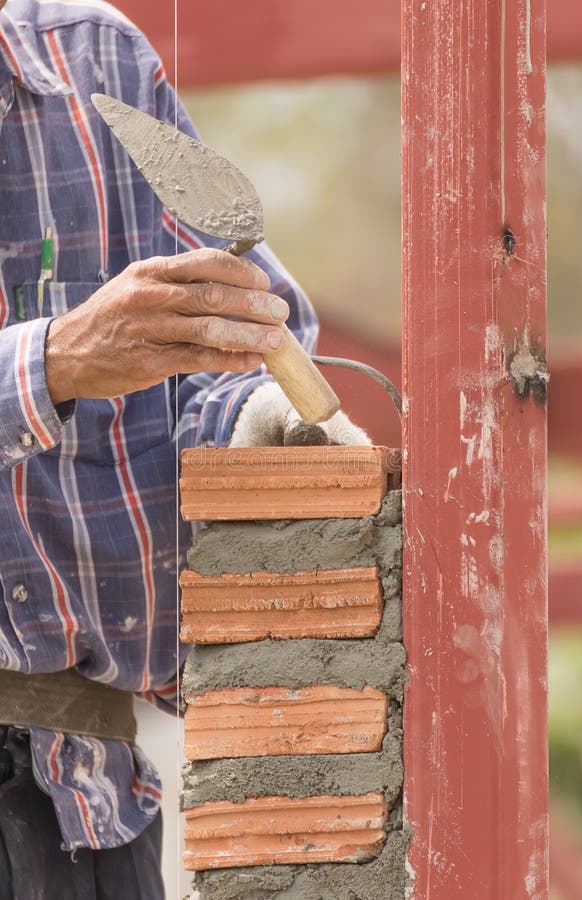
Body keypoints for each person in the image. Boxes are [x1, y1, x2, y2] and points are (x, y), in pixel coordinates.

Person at [0, 0, 368, 897]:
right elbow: (68, 359)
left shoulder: (96, 60)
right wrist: (48, 361)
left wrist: (255, 422)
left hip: (84, 802)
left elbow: (217, 362)